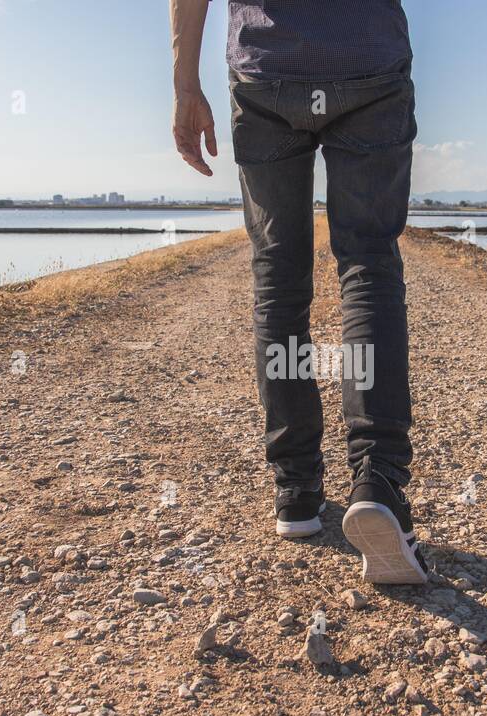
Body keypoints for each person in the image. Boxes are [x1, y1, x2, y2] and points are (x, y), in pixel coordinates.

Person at [169, 0, 426, 584]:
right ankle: (378, 479)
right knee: (367, 267)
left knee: (279, 279)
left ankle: (297, 489)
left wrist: (185, 84)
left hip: (267, 69)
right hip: (369, 60)